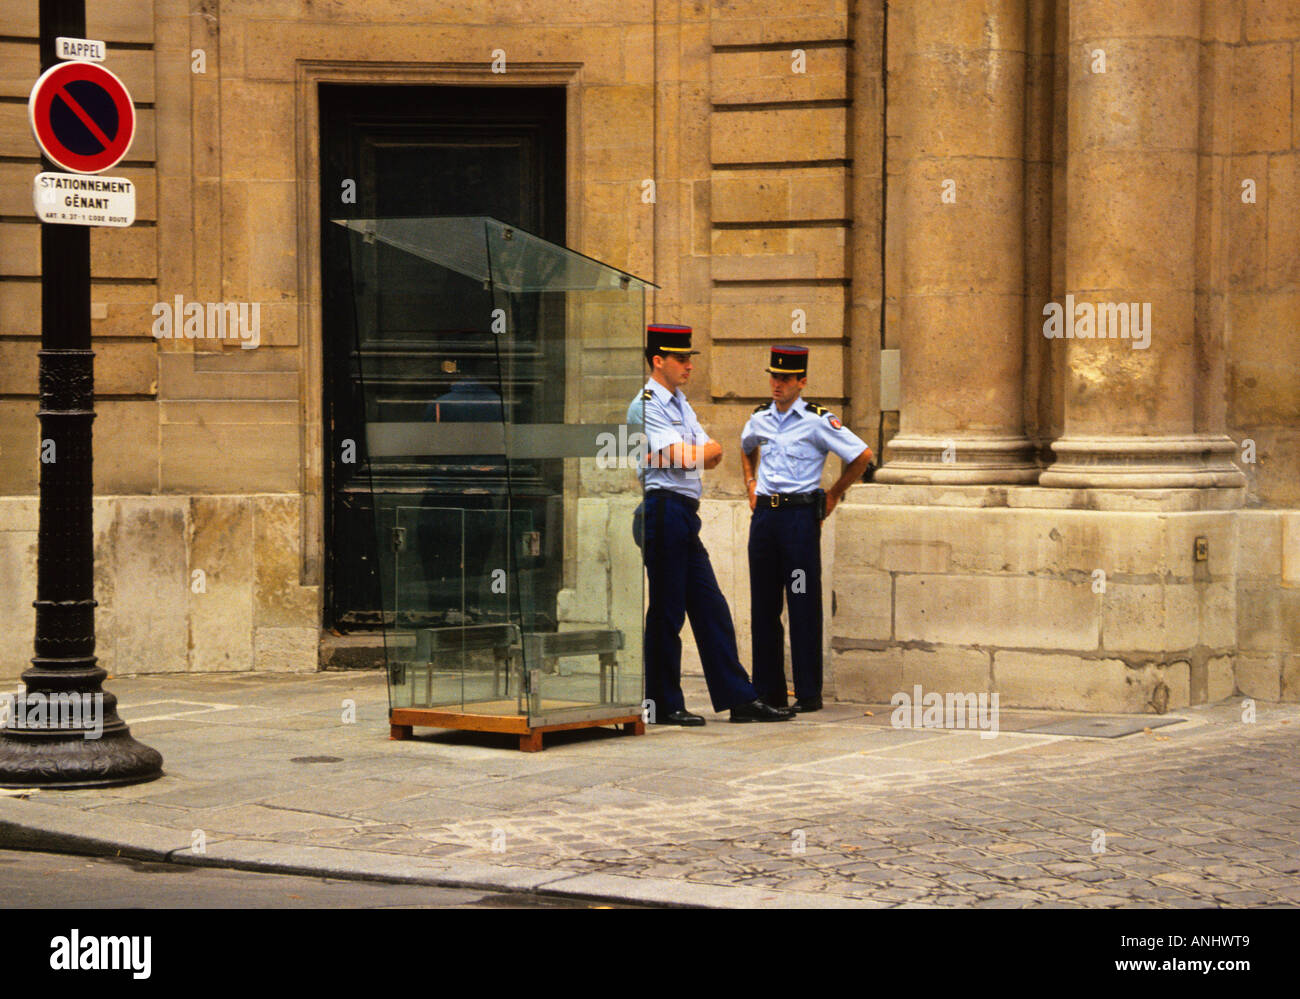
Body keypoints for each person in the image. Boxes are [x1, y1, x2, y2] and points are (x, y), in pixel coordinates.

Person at [628, 324, 794, 725]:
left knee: (711, 606)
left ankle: (739, 698)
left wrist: (693, 453)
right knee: (668, 611)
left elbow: (714, 452)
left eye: (689, 358)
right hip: (662, 509)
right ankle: (663, 703)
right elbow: (688, 457)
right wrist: (691, 454)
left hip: (684, 511)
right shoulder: (647, 404)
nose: (688, 365)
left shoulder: (680, 403)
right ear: (658, 361)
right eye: (680, 359)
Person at [740, 345, 873, 712]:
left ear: (802, 381)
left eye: (785, 378)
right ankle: (769, 691)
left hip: (799, 521)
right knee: (764, 605)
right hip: (765, 519)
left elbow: (862, 455)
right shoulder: (760, 417)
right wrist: (750, 483)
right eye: (773, 376)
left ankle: (808, 693)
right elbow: (746, 445)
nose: (777, 384)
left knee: (801, 602)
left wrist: (833, 495)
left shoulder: (817, 420)